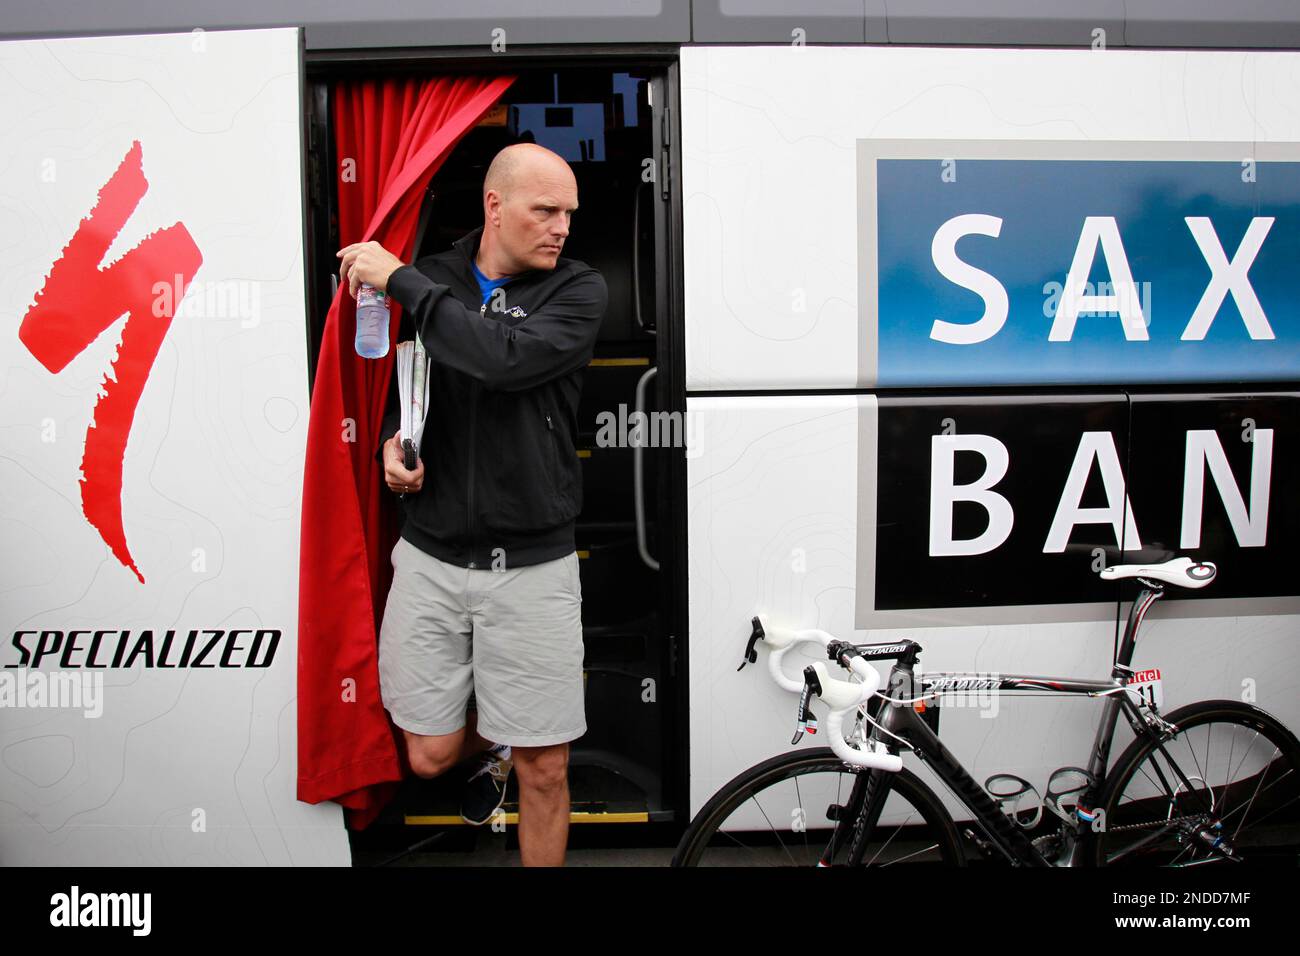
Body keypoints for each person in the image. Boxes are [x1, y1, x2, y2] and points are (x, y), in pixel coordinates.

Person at [336, 142, 607, 866]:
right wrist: (391, 446)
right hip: (431, 556)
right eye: (545, 210)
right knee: (428, 755)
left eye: (569, 214)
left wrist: (402, 283)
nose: (562, 228)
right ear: (494, 206)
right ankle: (502, 742)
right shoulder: (433, 277)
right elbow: (409, 390)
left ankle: (523, 747)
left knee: (546, 769)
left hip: (532, 566)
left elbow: (501, 359)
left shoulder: (579, 289)